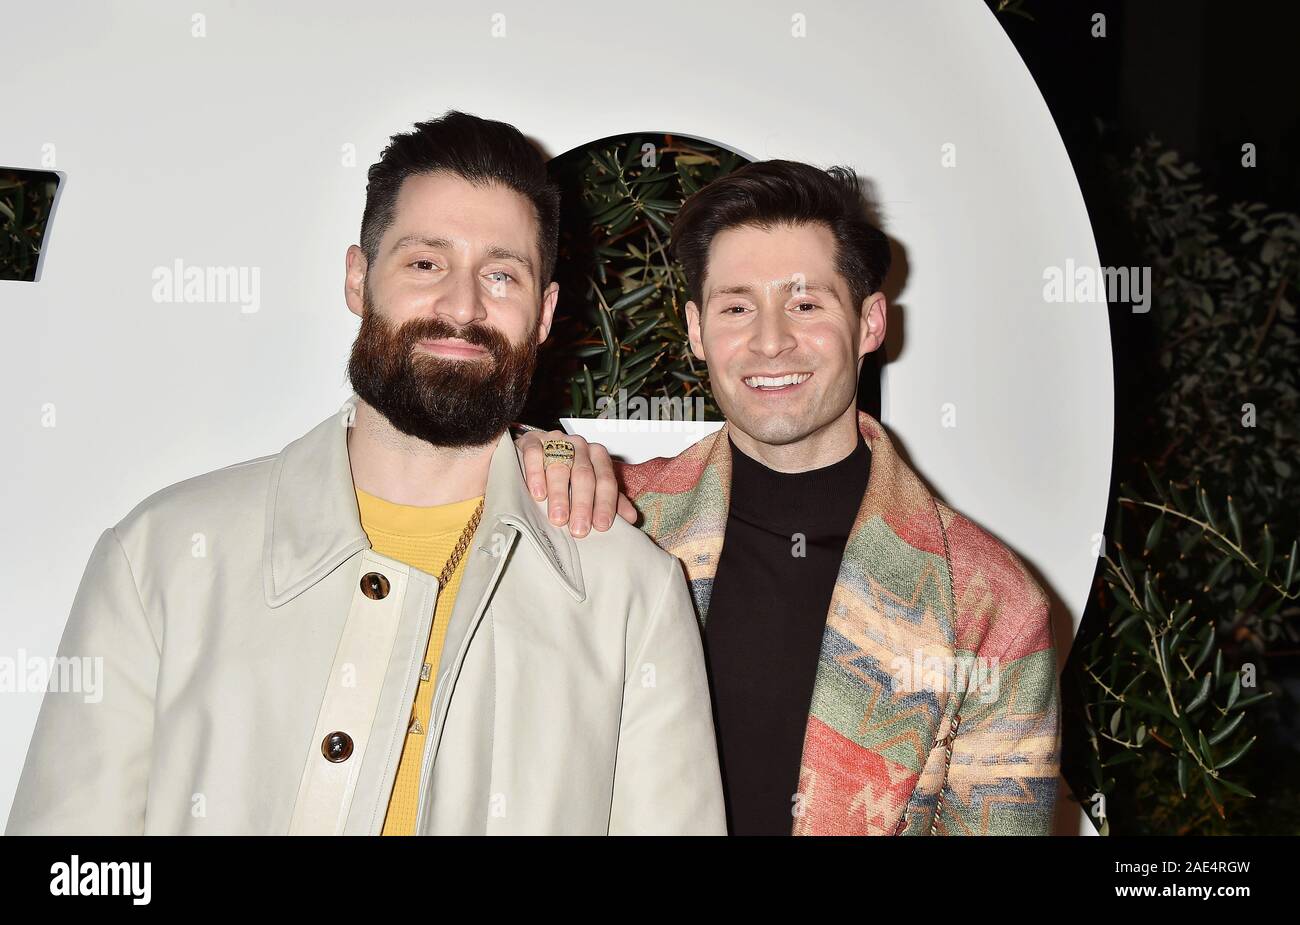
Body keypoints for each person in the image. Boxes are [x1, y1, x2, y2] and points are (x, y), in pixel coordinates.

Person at [6, 111, 725, 836]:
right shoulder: (162, 556)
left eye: (501, 275)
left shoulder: (630, 594)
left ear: (543, 314)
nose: (462, 306)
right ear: (358, 278)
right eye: (424, 263)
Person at [519, 159, 1060, 835]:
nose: (770, 341)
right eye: (737, 307)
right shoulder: (616, 517)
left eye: (805, 305)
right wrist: (525, 451)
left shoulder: (991, 605)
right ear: (695, 329)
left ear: (869, 324)